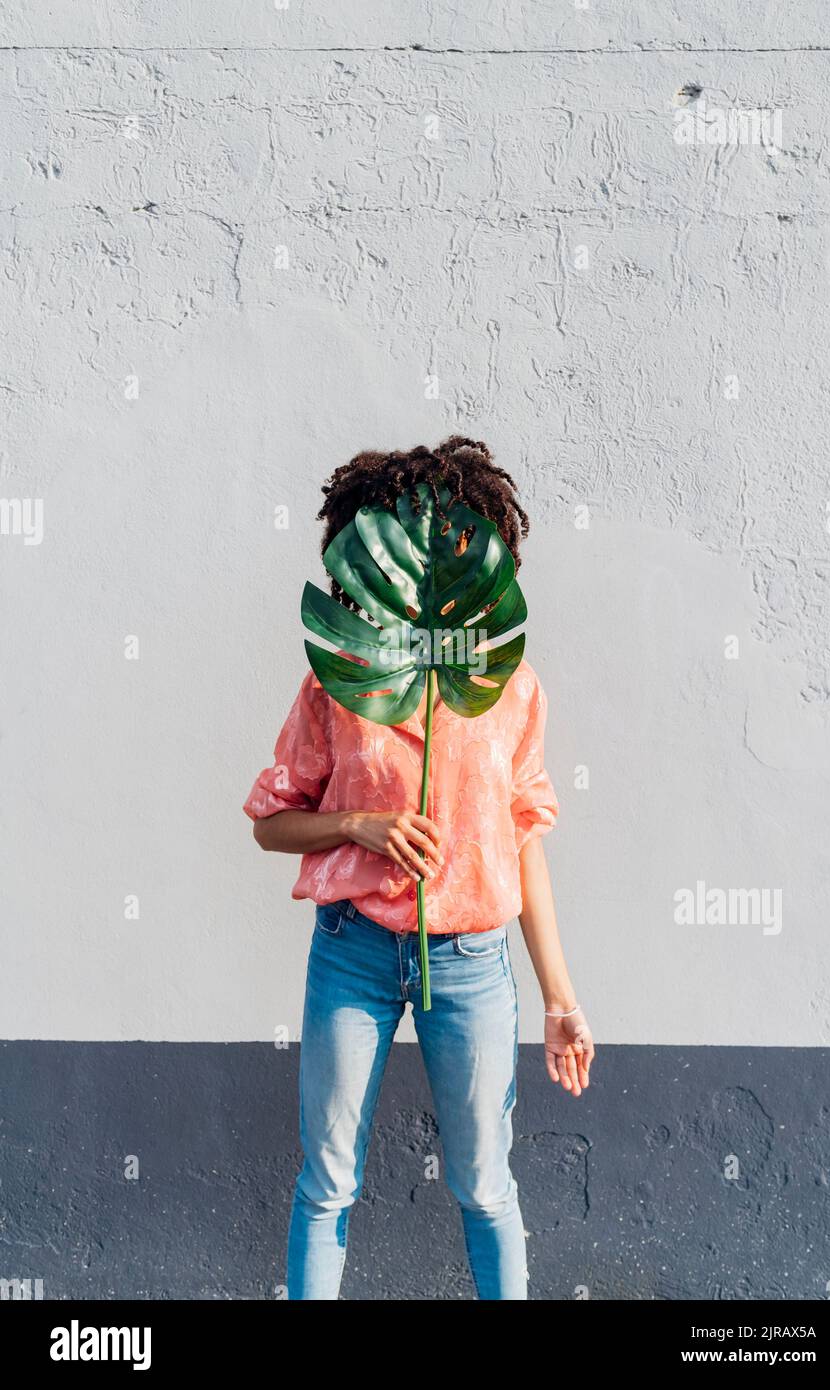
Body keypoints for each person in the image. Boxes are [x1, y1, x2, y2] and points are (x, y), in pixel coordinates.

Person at [244, 436, 594, 1300]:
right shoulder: (339, 681)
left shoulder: (509, 687)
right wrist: (357, 825)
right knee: (327, 1180)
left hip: (472, 961)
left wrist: (560, 998)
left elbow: (524, 841)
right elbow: (270, 826)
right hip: (353, 950)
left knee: (483, 1187)